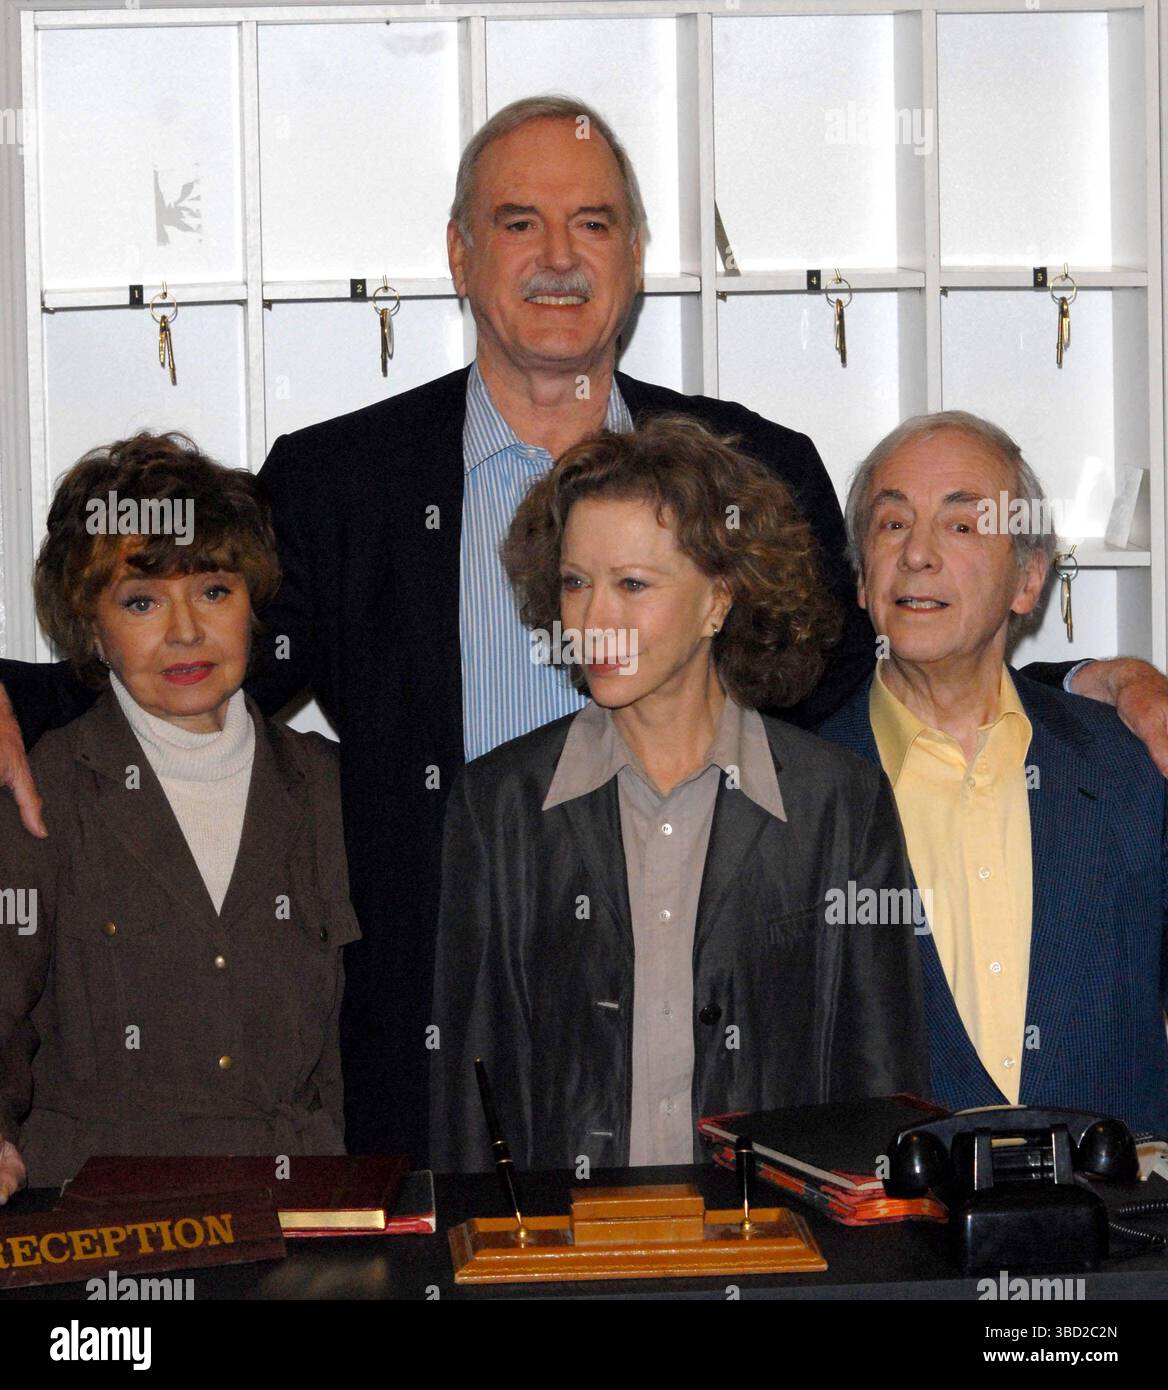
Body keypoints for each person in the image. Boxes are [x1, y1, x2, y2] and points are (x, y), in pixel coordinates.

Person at [1, 98, 1165, 1165]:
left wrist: (1066, 681)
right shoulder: (337, 481)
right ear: (460, 254)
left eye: (592, 223)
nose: (558, 256)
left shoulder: (757, 470)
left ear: (635, 258)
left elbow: (869, 673)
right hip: (447, 1049)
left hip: (728, 1058)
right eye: (519, 222)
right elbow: (195, 661)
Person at [430, 416, 929, 1173]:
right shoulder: (500, 805)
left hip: (776, 1257)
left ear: (719, 601)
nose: (595, 620)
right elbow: (470, 1088)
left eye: (632, 584)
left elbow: (882, 1081)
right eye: (575, 583)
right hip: (565, 1268)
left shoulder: (838, 804)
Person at [0, 434, 360, 1200]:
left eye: (214, 591)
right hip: (97, 1218)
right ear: (89, 627)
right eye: (141, 602)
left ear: (253, 604)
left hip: (304, 1216)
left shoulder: (330, 787)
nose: (186, 631)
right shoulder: (45, 791)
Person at [818, 412, 1168, 1134]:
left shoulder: (1133, 769)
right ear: (861, 581)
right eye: (890, 525)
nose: (917, 555)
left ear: (1029, 579)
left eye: (962, 526)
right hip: (889, 1240)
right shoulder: (794, 795)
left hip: (1128, 1236)